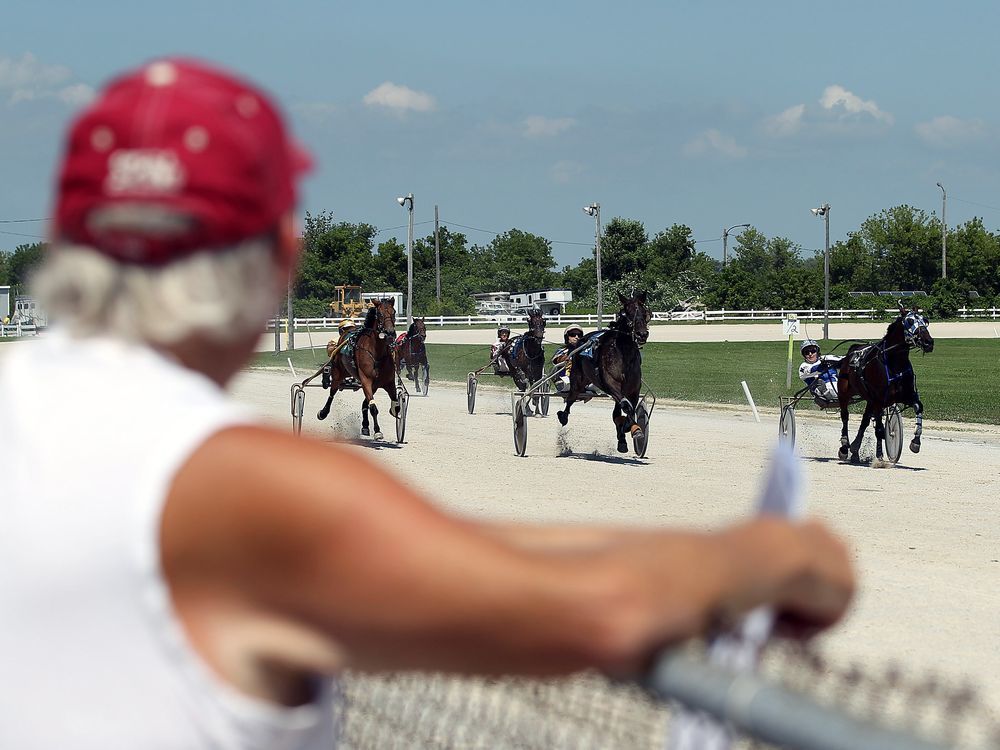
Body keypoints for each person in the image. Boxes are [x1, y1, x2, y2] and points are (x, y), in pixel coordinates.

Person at [0, 58, 854, 749]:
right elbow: (599, 610)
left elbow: (448, 551)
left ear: (66, 237)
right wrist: (768, 557)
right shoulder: (237, 484)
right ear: (281, 255)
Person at [798, 339, 844, 405]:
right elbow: (813, 369)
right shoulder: (803, 367)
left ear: (817, 351)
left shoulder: (827, 358)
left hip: (839, 386)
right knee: (819, 383)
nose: (810, 354)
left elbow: (844, 360)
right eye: (807, 352)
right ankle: (830, 397)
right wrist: (823, 365)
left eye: (813, 351)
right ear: (803, 355)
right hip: (821, 395)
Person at [323, 318, 358, 388]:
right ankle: (326, 379)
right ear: (341, 330)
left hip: (353, 362)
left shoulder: (357, 340)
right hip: (338, 363)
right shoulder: (335, 340)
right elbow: (330, 353)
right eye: (347, 329)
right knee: (327, 366)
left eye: (352, 329)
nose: (350, 331)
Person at [552, 324, 584, 390]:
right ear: (567, 337)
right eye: (573, 334)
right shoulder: (563, 350)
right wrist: (566, 358)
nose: (576, 337)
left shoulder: (585, 351)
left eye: (579, 335)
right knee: (568, 384)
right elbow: (556, 360)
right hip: (565, 378)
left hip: (582, 379)